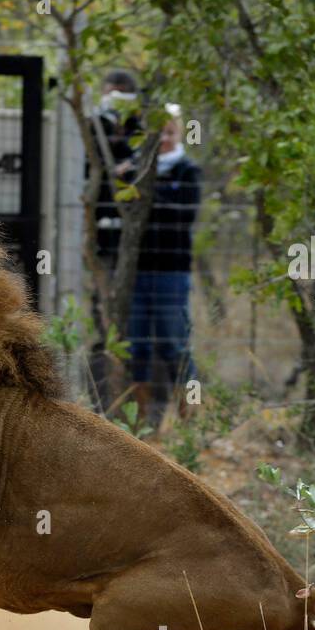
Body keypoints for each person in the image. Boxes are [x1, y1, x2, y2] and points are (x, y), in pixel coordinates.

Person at [122, 107, 203, 420]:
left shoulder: (187, 170)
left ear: (179, 134)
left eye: (170, 133)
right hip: (134, 272)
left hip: (172, 271)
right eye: (159, 135)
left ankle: (191, 418)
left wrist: (146, 192)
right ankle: (138, 422)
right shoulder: (133, 171)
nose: (164, 140)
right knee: (135, 346)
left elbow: (182, 217)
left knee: (175, 344)